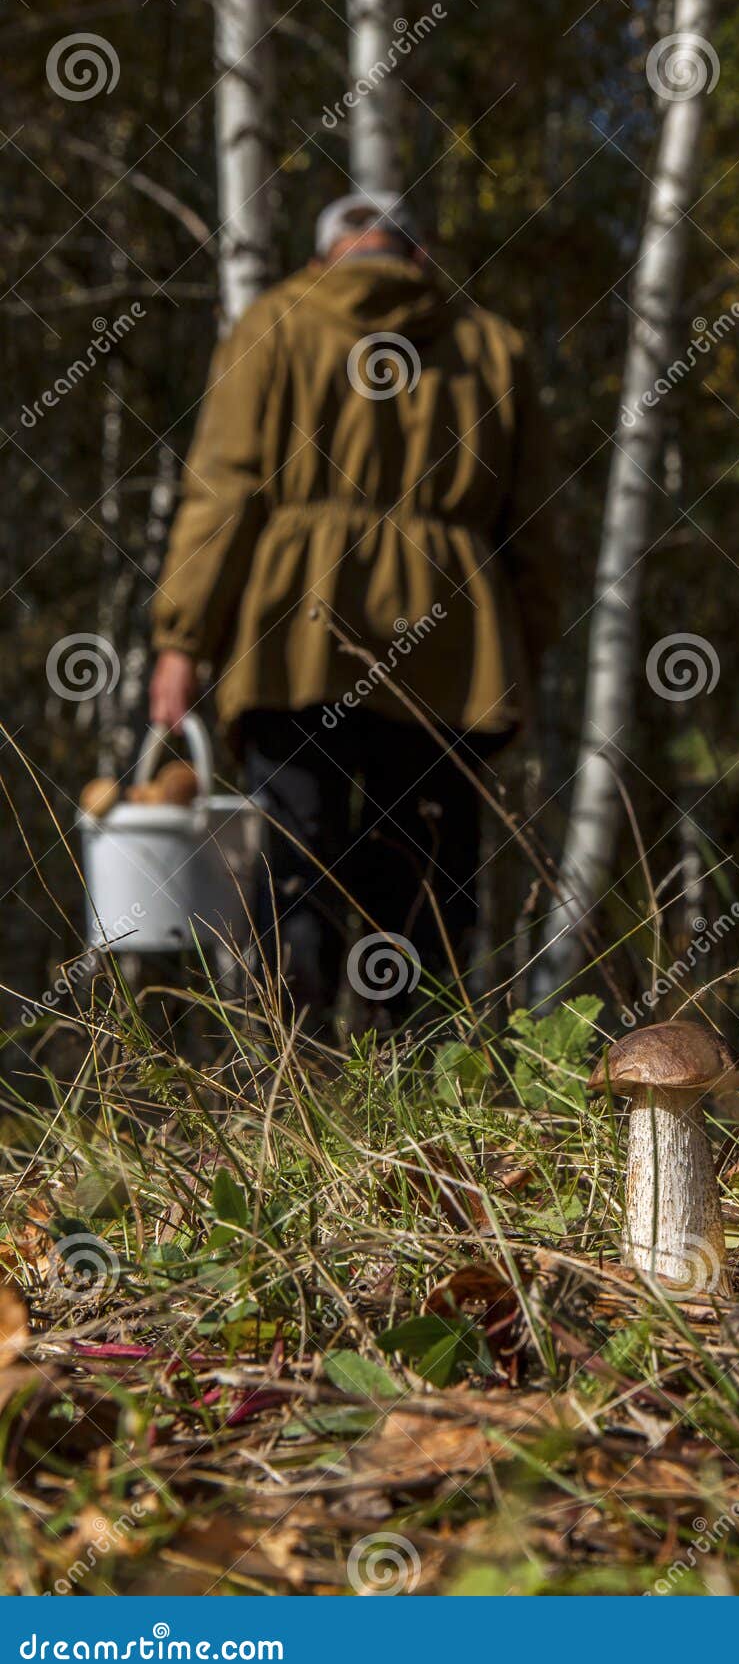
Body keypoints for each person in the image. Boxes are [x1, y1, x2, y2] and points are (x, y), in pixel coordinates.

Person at [149, 191, 559, 1037]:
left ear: (319, 261)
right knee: (428, 879)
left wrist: (182, 641)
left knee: (296, 862)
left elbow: (222, 493)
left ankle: (290, 1088)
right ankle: (427, 1096)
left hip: (295, 637)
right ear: (418, 258)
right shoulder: (491, 346)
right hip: (453, 644)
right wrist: (526, 650)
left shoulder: (275, 324)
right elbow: (536, 527)